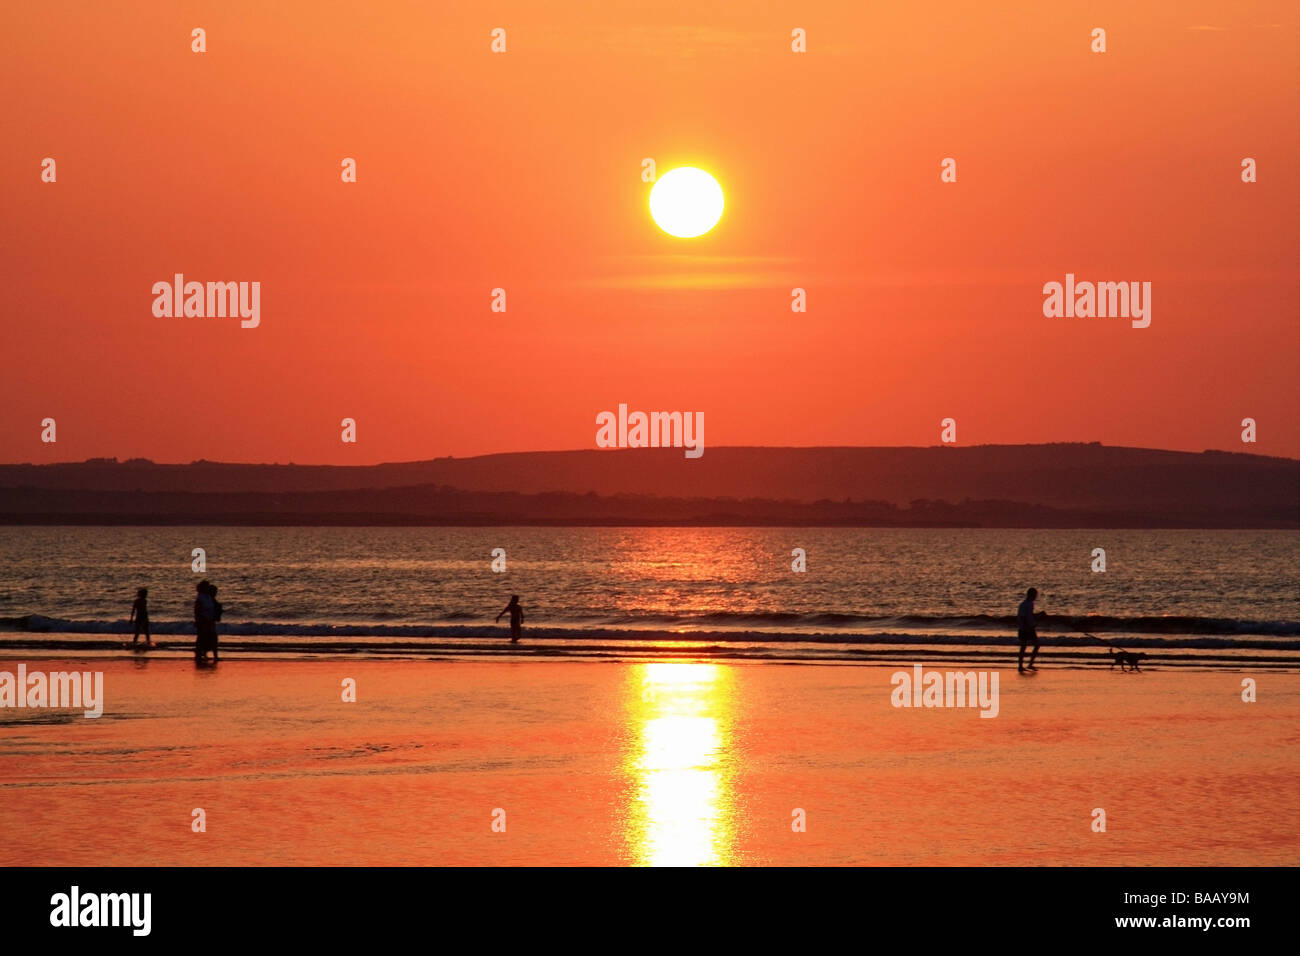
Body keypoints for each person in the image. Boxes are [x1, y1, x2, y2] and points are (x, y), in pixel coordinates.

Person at [1017, 587, 1041, 673]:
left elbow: (1028, 616)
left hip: (1025, 628)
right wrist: (1027, 627)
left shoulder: (1026, 604)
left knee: (1024, 647)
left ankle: (1022, 665)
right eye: (1035, 595)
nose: (1036, 596)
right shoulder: (1027, 604)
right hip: (1026, 628)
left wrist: (1037, 616)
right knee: (1035, 645)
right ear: (1032, 595)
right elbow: (1023, 617)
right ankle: (1028, 664)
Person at [194, 580, 216, 662]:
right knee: (201, 638)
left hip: (209, 619)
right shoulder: (201, 597)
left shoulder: (207, 597)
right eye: (207, 586)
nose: (208, 588)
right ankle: (198, 653)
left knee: (207, 637)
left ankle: (204, 653)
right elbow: (197, 610)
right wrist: (199, 620)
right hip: (203, 620)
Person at [208, 584, 223, 662]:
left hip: (209, 621)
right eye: (215, 591)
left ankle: (209, 655)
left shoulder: (209, 600)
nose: (216, 593)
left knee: (208, 639)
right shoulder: (210, 600)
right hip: (209, 622)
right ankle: (215, 656)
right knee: (213, 639)